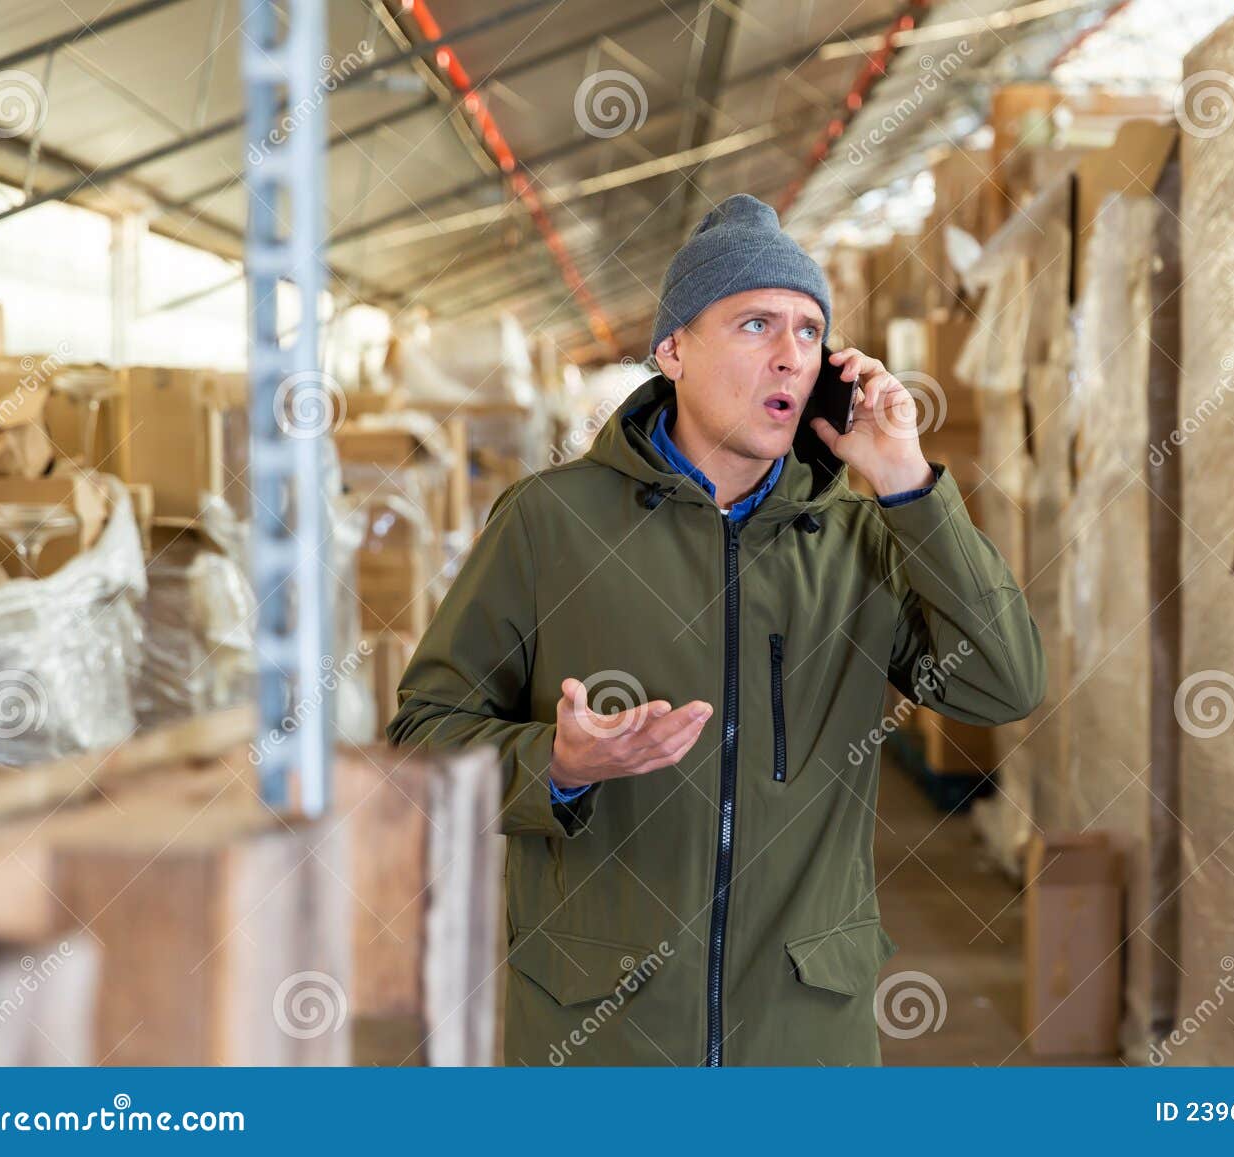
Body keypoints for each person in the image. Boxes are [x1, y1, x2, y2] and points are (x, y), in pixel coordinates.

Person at [386, 193, 1045, 1066]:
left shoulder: (861, 536)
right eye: (755, 324)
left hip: (805, 1030)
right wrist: (559, 764)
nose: (790, 355)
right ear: (672, 350)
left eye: (811, 332)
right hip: (602, 1028)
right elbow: (421, 739)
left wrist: (908, 481)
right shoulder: (549, 522)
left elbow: (1002, 682)